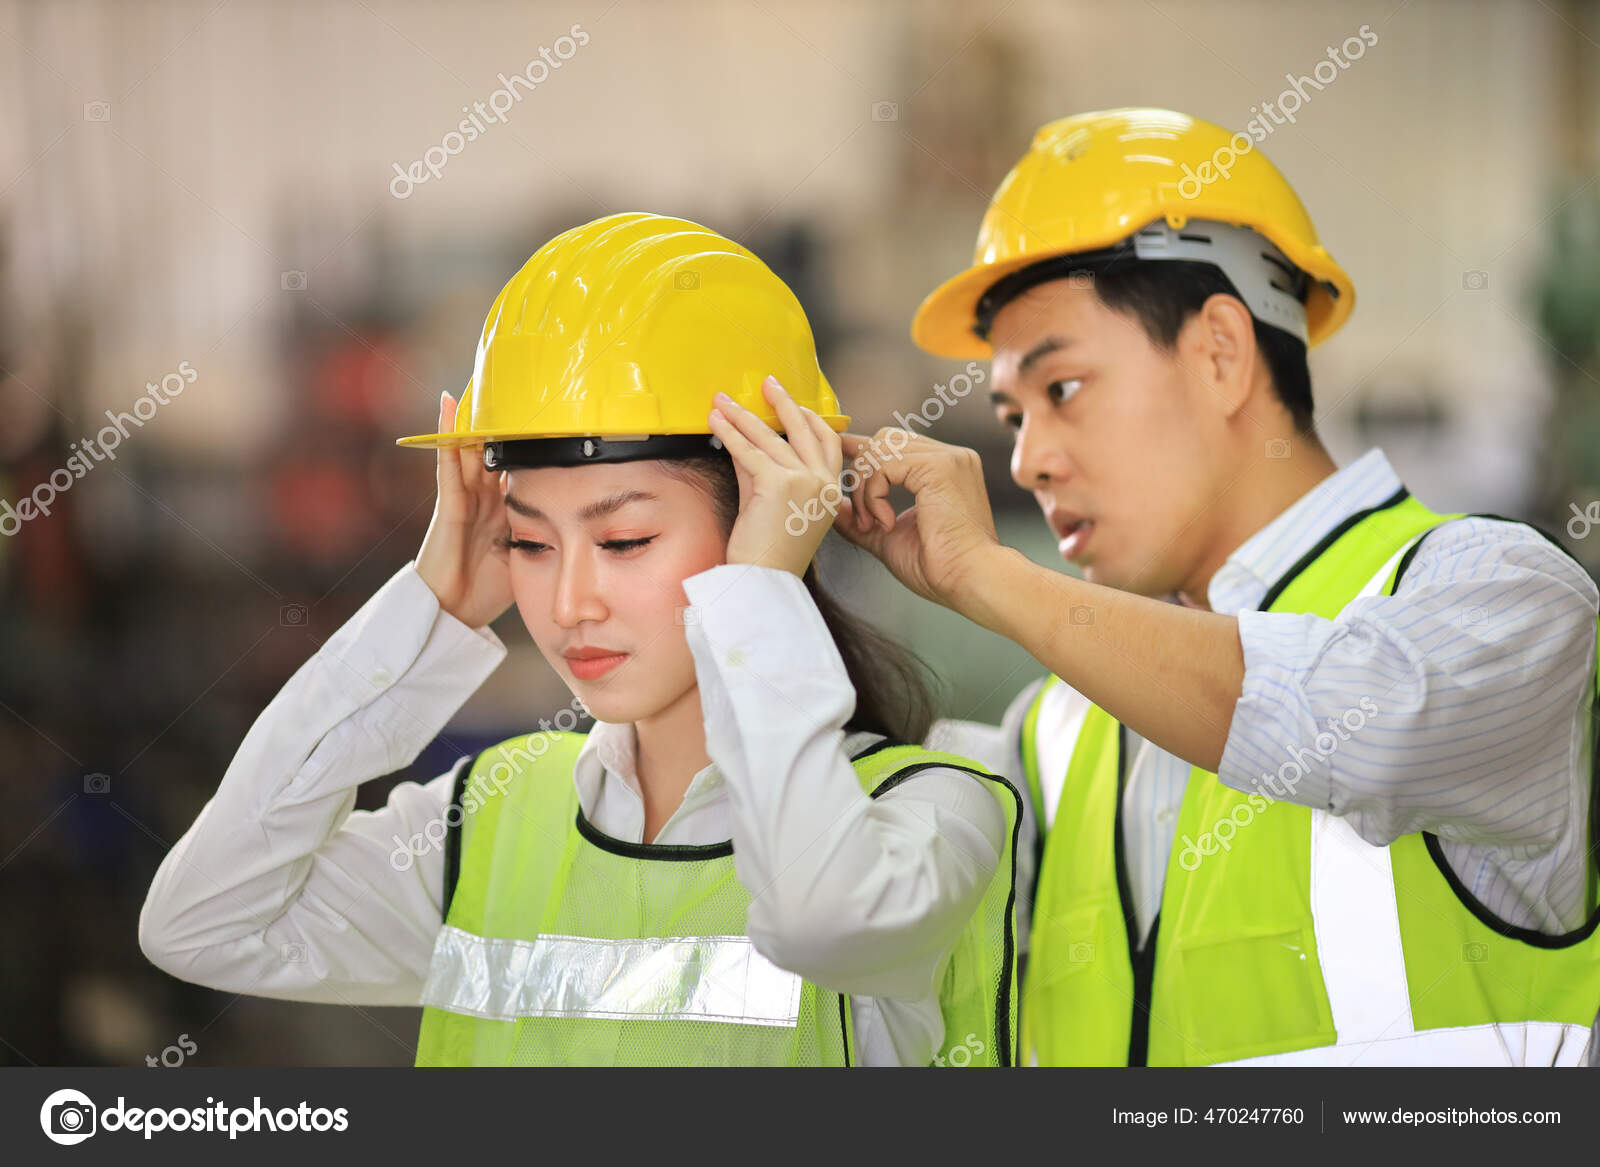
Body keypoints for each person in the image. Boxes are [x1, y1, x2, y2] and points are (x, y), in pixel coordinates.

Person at [138, 212, 1021, 1067]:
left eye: (624, 540)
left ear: (766, 513)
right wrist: (429, 612)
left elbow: (823, 918)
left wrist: (759, 593)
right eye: (529, 542)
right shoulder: (485, 825)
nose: (567, 603)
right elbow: (200, 922)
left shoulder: (926, 813)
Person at [831, 109, 1600, 1066]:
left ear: (1222, 354)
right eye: (1012, 416)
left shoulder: (1501, 597)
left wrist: (991, 576)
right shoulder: (1051, 737)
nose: (1026, 461)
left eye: (1061, 389)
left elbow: (1353, 719)